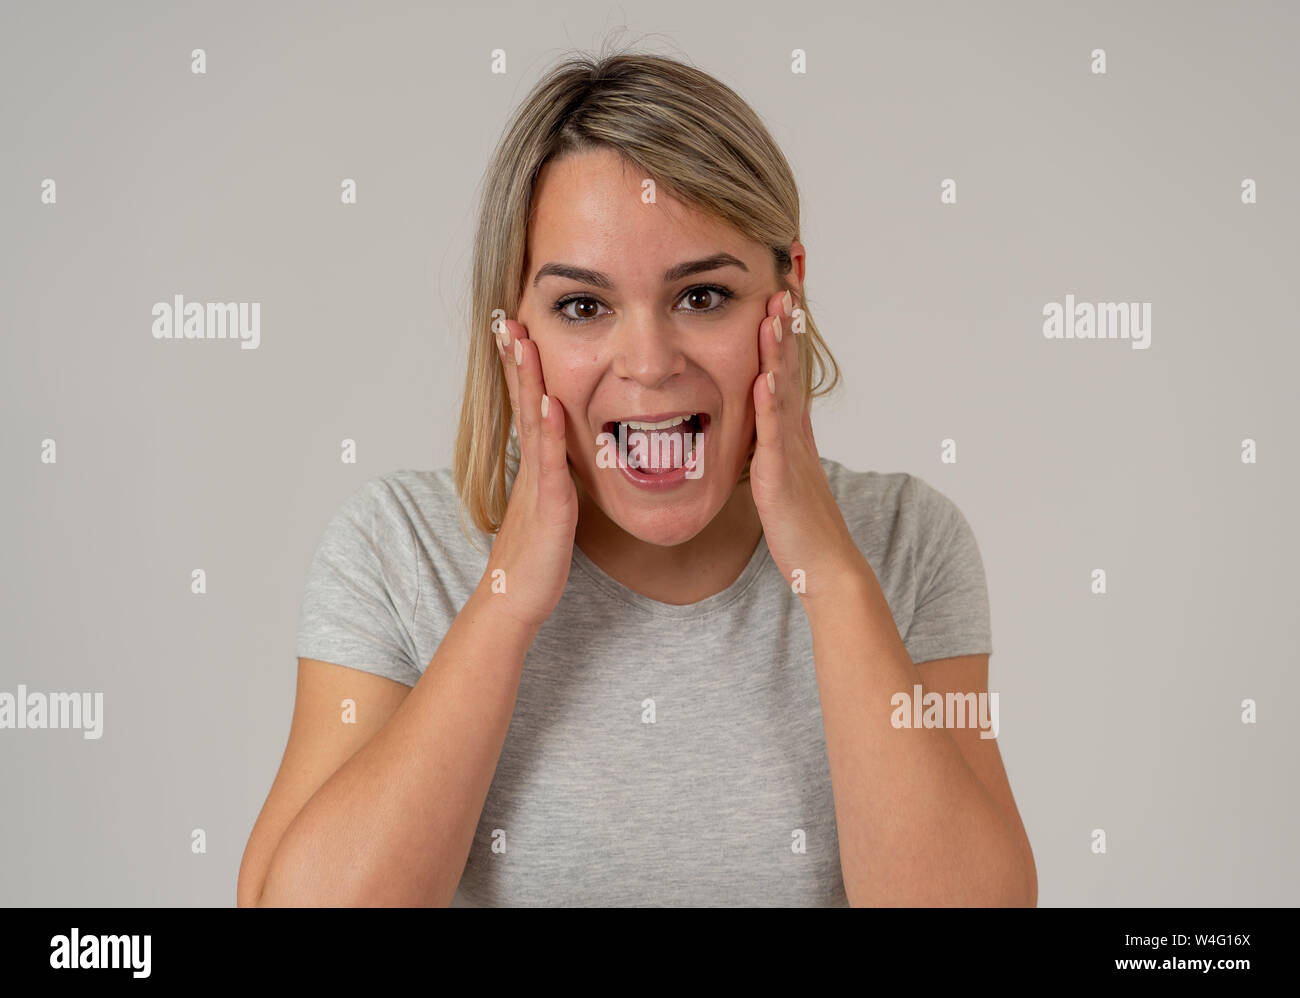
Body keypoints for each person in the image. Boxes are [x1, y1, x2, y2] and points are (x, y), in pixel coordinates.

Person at [237, 46, 1036, 907]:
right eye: (583, 306)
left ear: (787, 295)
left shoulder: (907, 542)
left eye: (702, 297)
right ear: (516, 329)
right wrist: (506, 603)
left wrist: (833, 575)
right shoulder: (397, 548)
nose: (649, 364)